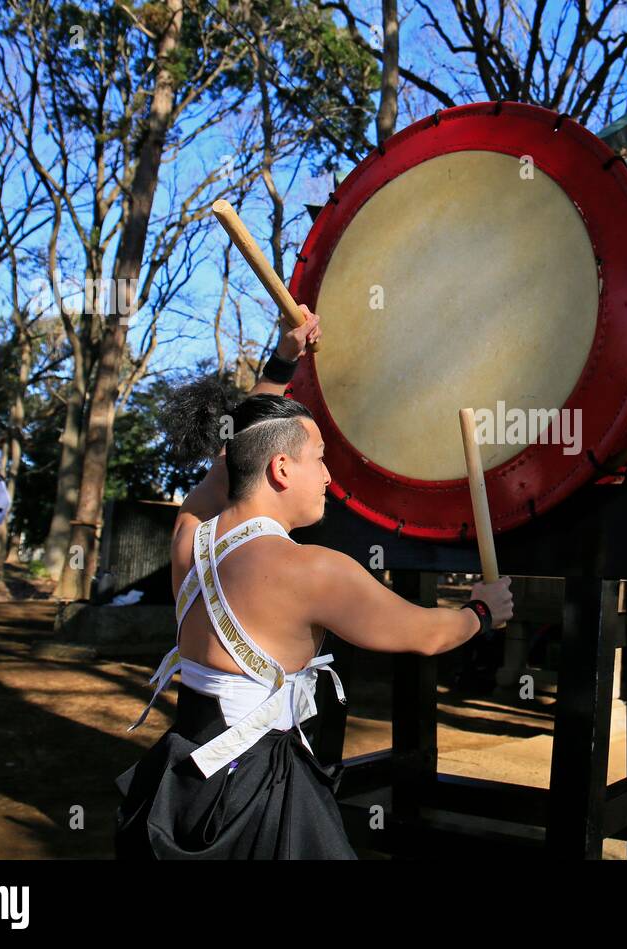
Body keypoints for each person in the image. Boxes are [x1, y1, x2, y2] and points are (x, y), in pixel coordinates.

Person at [114, 305, 514, 859]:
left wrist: (283, 360)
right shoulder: (313, 570)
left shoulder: (189, 535)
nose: (328, 475)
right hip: (255, 794)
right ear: (281, 469)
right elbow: (427, 635)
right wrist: (483, 610)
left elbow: (238, 449)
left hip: (183, 778)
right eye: (319, 459)